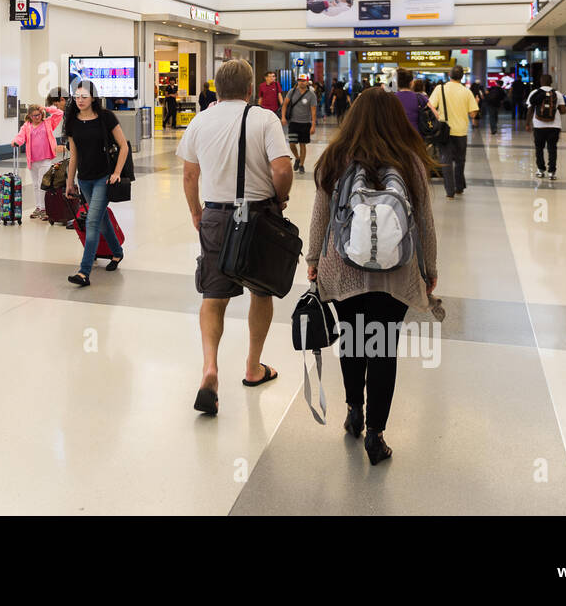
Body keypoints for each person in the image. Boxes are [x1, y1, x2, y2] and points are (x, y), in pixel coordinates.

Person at [306, 87, 438, 464]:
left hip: (344, 270)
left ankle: (354, 411)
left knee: (352, 341)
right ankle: (377, 436)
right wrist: (430, 269)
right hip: (396, 275)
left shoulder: (335, 157)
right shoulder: (409, 159)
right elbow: (425, 223)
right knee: (382, 349)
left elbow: (320, 215)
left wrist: (314, 258)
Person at [178, 60, 293, 415]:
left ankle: (210, 367)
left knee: (213, 296)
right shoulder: (263, 118)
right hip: (255, 214)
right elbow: (282, 168)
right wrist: (281, 197)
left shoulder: (200, 120)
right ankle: (252, 367)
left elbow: (189, 174)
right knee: (261, 290)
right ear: (250, 90)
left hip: (215, 213)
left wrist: (197, 212)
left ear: (215, 89)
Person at [63, 81, 129, 286]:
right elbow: (73, 155)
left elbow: (124, 146)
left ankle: (84, 272)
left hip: (104, 178)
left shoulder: (106, 117)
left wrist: (117, 173)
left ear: (93, 97)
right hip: (84, 179)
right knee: (100, 219)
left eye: (84, 96)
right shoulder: (71, 122)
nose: (80, 100)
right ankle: (117, 252)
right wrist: (69, 182)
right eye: (77, 96)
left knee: (92, 221)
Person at [428, 65, 478, 199]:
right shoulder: (467, 92)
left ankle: (449, 191)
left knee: (446, 160)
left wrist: (438, 116)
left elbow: (430, 105)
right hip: (461, 131)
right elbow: (473, 114)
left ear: (450, 75)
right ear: (462, 76)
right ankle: (459, 187)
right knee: (460, 160)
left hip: (445, 131)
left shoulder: (440, 89)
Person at [14, 105, 62, 220]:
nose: (37, 117)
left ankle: (45, 209)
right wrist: (16, 141)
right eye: (34, 115)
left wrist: (46, 108)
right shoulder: (27, 126)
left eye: (39, 114)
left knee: (43, 183)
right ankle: (38, 207)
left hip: (45, 158)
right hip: (33, 160)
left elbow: (59, 113)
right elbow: (20, 137)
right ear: (29, 116)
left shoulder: (48, 123)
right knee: (35, 185)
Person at [525, 74, 566, 180]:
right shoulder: (558, 94)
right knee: (552, 149)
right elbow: (563, 111)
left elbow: (530, 110)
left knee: (539, 148)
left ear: (541, 81)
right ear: (551, 82)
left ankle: (540, 170)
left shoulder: (534, 93)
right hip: (554, 126)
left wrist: (527, 123)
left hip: (539, 125)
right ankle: (552, 172)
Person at [280, 73, 317, 174]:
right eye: (300, 80)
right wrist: (283, 117)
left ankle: (301, 165)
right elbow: (285, 105)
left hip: (305, 123)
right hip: (293, 122)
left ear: (307, 82)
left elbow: (313, 111)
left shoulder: (311, 95)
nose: (301, 82)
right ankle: (297, 157)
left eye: (303, 81)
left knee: (302, 144)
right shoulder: (292, 92)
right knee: (292, 143)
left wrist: (313, 125)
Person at [394, 67, 428, 137]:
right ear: (412, 83)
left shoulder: (391, 98)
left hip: (396, 136)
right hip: (416, 137)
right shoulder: (420, 97)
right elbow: (435, 115)